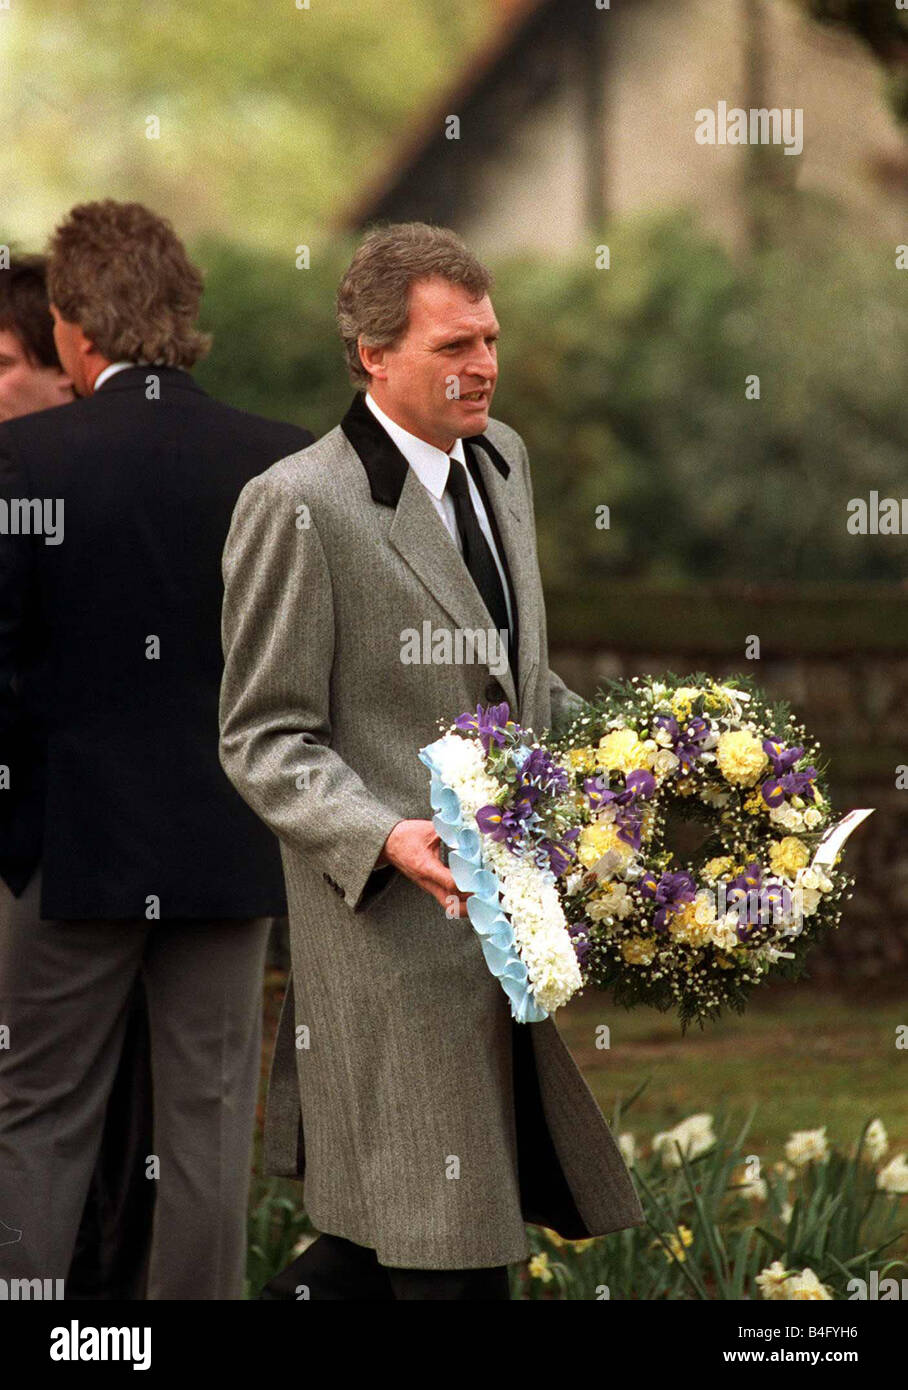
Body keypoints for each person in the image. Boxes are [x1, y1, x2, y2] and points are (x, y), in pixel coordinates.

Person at [219, 221, 644, 1301]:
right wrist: (386, 836)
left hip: (511, 927)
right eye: (454, 345)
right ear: (372, 353)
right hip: (390, 947)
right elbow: (263, 736)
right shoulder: (297, 505)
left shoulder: (504, 461)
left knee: (384, 1246)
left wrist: (626, 759)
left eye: (489, 339)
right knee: (445, 1248)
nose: (483, 366)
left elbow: (517, 678)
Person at [0, 200, 313, 1299]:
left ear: (77, 330)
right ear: (184, 315)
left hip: (63, 854)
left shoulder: (22, 459)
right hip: (227, 850)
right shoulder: (282, 463)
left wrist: (15, 835)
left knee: (36, 1119)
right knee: (211, 1122)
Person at [0, 252, 156, 1300]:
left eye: (2, 360)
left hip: (83, 871)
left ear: (68, 364)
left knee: (105, 1142)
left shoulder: (106, 507)